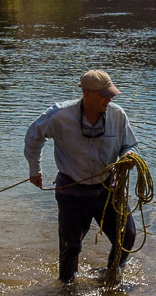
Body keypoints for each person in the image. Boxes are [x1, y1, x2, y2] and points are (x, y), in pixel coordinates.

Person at [25, 69, 139, 282]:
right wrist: (35, 169)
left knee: (127, 237)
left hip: (108, 188)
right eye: (104, 95)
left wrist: (129, 155)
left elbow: (129, 144)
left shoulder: (117, 115)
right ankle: (67, 292)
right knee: (71, 247)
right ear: (86, 94)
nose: (110, 98)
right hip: (72, 190)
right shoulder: (59, 116)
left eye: (111, 93)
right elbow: (33, 136)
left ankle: (112, 274)